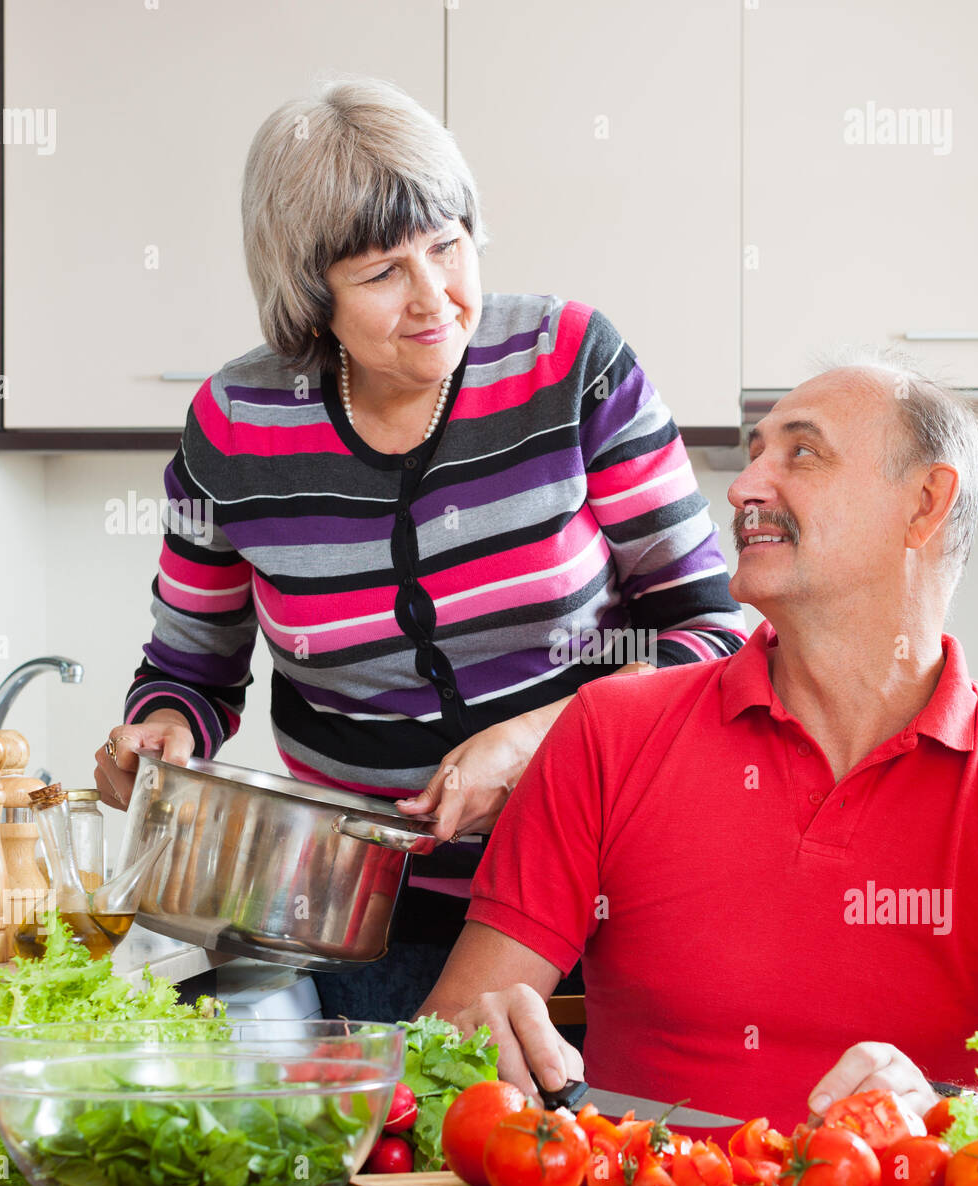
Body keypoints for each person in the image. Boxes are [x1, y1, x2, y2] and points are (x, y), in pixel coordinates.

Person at [92, 77, 745, 1022]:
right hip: (358, 912)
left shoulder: (570, 366)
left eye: (448, 247)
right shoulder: (232, 429)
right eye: (381, 273)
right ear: (309, 298)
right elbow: (189, 667)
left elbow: (712, 636)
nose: (435, 297)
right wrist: (164, 733)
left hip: (606, 893)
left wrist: (532, 744)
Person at [415, 350, 978, 1132]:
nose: (742, 487)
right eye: (754, 452)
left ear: (926, 503)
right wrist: (475, 1043)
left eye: (802, 452)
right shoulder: (608, 731)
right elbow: (445, 1044)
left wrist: (940, 1118)